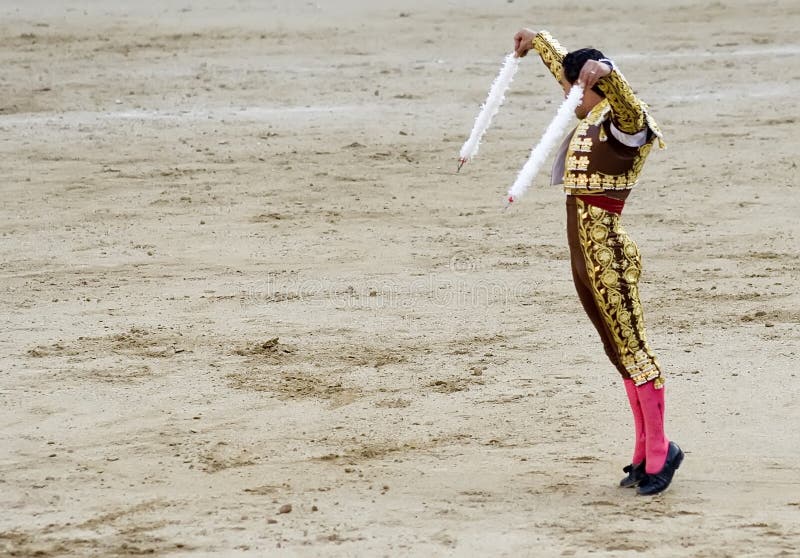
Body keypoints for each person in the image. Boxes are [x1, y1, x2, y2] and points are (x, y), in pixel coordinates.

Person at [513, 28, 683, 495]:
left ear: (597, 85)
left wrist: (607, 71)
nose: (568, 97)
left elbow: (623, 98)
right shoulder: (591, 110)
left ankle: (661, 452)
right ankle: (644, 451)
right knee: (617, 352)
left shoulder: (626, 122)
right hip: (584, 254)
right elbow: (572, 72)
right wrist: (539, 42)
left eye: (576, 89)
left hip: (609, 254)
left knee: (634, 349)